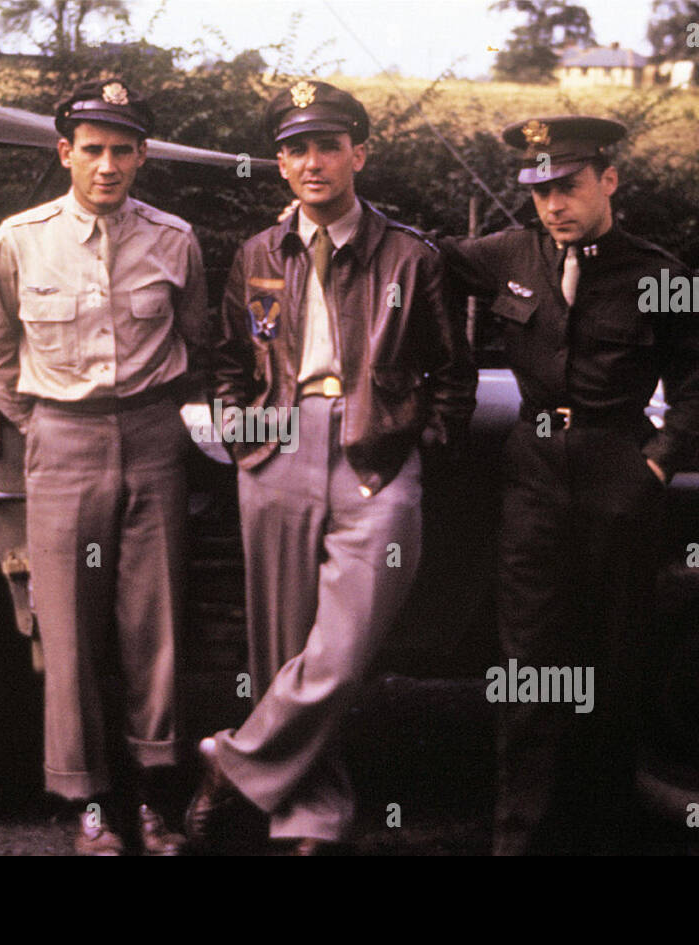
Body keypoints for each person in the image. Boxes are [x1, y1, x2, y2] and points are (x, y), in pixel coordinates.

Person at [186, 80, 477, 854]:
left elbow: (453, 372)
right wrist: (245, 438)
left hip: (375, 457)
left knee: (342, 652)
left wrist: (419, 445)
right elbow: (224, 360)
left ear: (359, 154)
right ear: (279, 164)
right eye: (294, 149)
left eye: (326, 145)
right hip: (276, 445)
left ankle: (234, 759)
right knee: (282, 647)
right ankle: (309, 815)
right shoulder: (257, 255)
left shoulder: (411, 256)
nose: (311, 162)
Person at [439, 116, 699, 854]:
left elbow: (695, 396)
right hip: (531, 473)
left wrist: (653, 465)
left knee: (611, 666)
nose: (553, 205)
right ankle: (519, 838)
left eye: (567, 187)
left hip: (616, 472)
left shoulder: (661, 273)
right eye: (539, 192)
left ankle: (601, 834)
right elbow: (422, 261)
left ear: (609, 180)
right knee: (529, 668)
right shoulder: (510, 252)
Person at [0, 78, 208, 855]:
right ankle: (88, 803)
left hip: (152, 435)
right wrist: (41, 420)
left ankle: (158, 799)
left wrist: (160, 419)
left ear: (142, 156)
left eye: (123, 150)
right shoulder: (21, 239)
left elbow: (194, 339)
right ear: (65, 153)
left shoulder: (174, 239)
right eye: (93, 150)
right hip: (63, 439)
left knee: (155, 624)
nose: (108, 165)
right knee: (67, 627)